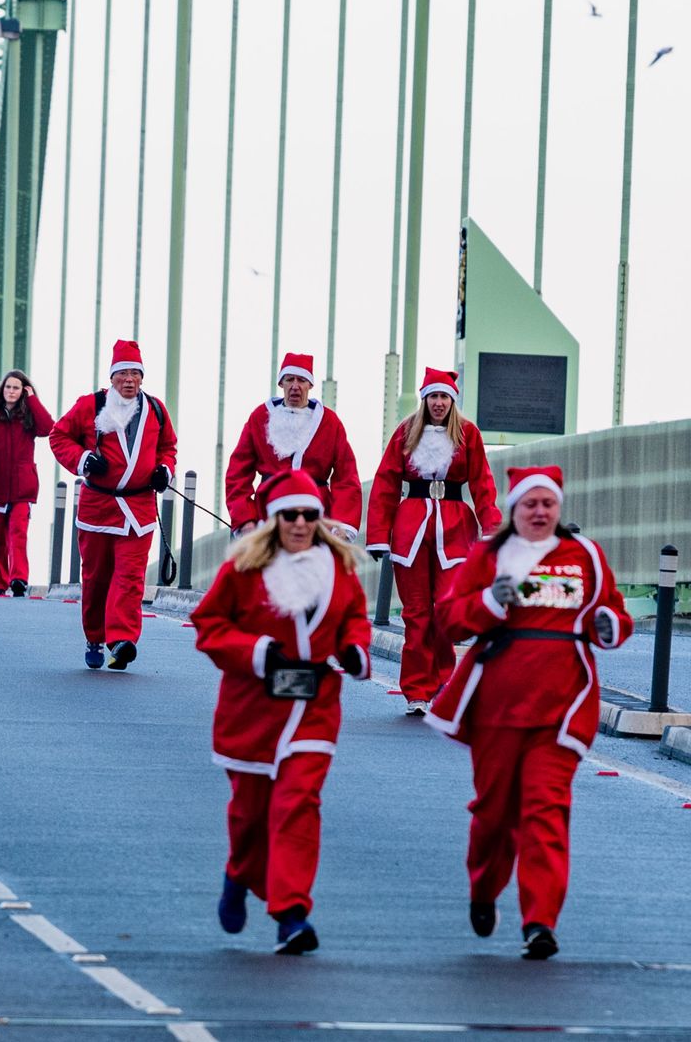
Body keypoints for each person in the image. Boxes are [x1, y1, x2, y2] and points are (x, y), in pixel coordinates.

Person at [427, 466, 631, 962]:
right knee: (494, 814)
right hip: (497, 705)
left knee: (546, 809)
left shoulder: (585, 555)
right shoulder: (491, 556)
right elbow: (449, 621)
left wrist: (609, 625)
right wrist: (488, 601)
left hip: (561, 708)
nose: (540, 512)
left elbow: (615, 614)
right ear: (514, 510)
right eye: (529, 505)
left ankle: (540, 921)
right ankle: (483, 889)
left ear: (559, 509)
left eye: (548, 504)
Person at [191, 470, 372, 956]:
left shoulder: (339, 569)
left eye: (309, 515)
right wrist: (257, 651)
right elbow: (208, 625)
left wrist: (354, 649)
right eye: (289, 515)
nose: (299, 523)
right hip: (253, 710)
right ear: (274, 520)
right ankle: (237, 875)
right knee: (250, 816)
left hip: (314, 708)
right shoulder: (244, 570)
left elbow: (355, 618)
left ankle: (291, 914)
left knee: (298, 805)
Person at [365, 367, 501, 715]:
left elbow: (482, 483)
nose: (438, 403)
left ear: (452, 401)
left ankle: (442, 682)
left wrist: (492, 526)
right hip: (411, 530)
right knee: (416, 613)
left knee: (448, 609)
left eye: (444, 397)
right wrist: (379, 535)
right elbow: (385, 483)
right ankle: (416, 692)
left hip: (455, 530)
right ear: (424, 399)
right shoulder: (405, 432)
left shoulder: (468, 433)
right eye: (433, 397)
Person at [48, 339, 179, 671]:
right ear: (112, 377)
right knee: (96, 578)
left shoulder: (157, 411)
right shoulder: (90, 406)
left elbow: (168, 447)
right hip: (98, 508)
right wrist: (84, 460)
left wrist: (165, 470)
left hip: (139, 509)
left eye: (135, 373)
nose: (129, 380)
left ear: (142, 377)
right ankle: (94, 636)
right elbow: (58, 436)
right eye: (123, 373)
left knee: (130, 578)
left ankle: (122, 640)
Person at [224, 353, 362, 538]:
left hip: (316, 515)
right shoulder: (260, 417)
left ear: (310, 385)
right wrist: (246, 520)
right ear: (281, 383)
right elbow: (237, 472)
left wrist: (342, 526)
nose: (295, 386)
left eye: (302, 380)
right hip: (268, 513)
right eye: (290, 379)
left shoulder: (329, 422)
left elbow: (347, 477)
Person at [0, 369, 54, 596]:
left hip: (22, 487)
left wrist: (33, 399)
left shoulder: (28, 416)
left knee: (18, 532)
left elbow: (48, 428)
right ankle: (0, 583)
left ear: (23, 391)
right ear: (2, 389)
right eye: (8, 387)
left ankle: (19, 579)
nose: (11, 391)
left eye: (17, 387)